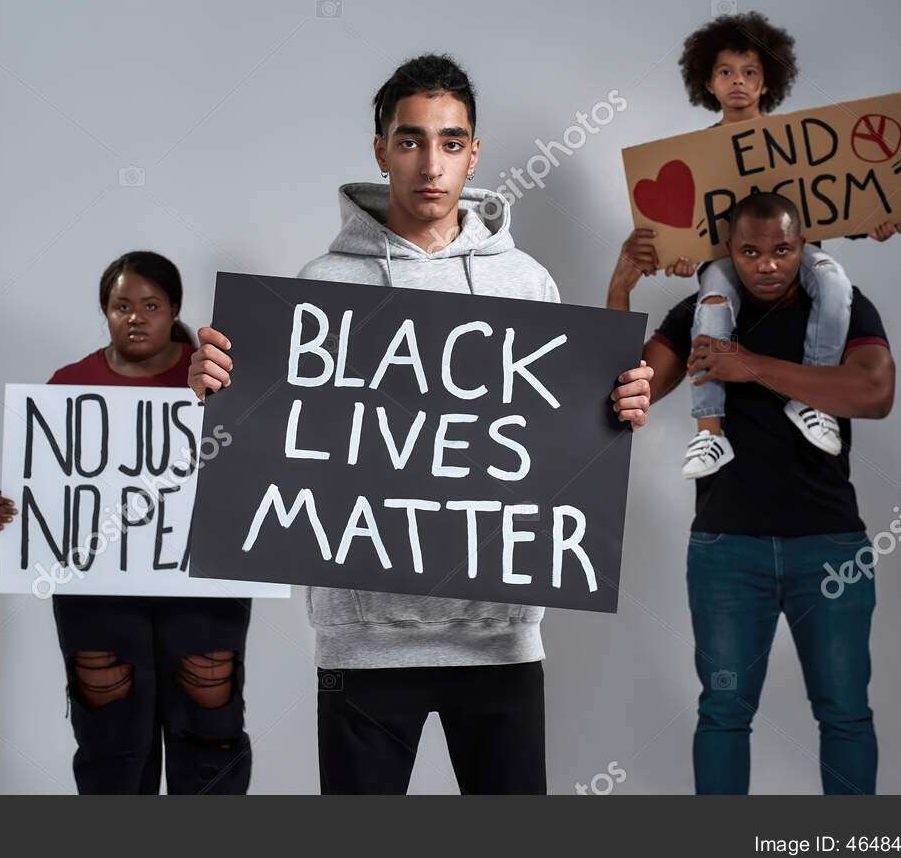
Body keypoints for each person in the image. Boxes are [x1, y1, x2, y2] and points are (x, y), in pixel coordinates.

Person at [188, 53, 653, 794]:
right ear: (380, 151)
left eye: (450, 142)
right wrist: (219, 395)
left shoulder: (527, 283)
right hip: (361, 645)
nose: (429, 164)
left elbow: (556, 446)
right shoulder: (320, 288)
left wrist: (616, 409)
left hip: (501, 639)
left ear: (474, 152)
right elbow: (275, 444)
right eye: (409, 141)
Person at [618, 191, 895, 794]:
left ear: (803, 247)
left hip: (830, 547)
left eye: (782, 250)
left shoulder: (841, 306)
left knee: (845, 714)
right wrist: (621, 289)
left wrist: (753, 366)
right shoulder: (698, 312)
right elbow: (626, 398)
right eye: (750, 251)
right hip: (727, 550)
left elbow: (876, 394)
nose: (767, 264)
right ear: (729, 251)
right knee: (723, 715)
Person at [0, 251, 252, 794]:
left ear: (174, 307)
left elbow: (259, 461)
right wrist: (13, 509)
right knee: (110, 732)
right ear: (104, 312)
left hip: (201, 583)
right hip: (95, 590)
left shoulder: (216, 379)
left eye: (151, 305)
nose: (135, 317)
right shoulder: (66, 386)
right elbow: (46, 486)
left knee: (209, 725)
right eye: (121, 305)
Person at [608, 11, 901, 480]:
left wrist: (872, 224)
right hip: (724, 267)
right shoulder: (693, 156)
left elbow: (834, 201)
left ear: (768, 82)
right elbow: (695, 234)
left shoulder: (797, 145)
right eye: (726, 71)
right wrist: (682, 259)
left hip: (804, 263)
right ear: (708, 80)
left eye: (750, 72)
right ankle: (709, 430)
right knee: (713, 296)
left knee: (831, 277)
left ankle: (811, 402)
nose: (738, 82)